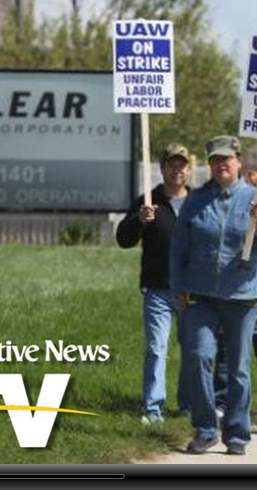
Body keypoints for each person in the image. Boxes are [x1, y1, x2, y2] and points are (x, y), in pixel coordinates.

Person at [170, 136, 257, 456]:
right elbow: (178, 249)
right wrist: (178, 288)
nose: (221, 165)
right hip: (201, 295)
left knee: (238, 369)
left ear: (239, 162)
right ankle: (206, 429)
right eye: (215, 160)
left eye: (227, 159)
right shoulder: (196, 200)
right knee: (198, 356)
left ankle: (236, 433)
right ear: (209, 164)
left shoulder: (255, 198)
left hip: (241, 297)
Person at [116, 143, 195, 425]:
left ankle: (188, 404)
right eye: (172, 165)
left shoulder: (198, 202)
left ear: (189, 170)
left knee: (193, 349)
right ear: (161, 169)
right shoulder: (148, 201)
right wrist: (139, 220)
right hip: (157, 289)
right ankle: (153, 408)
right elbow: (123, 239)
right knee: (156, 349)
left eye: (182, 165)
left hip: (192, 290)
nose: (177, 170)